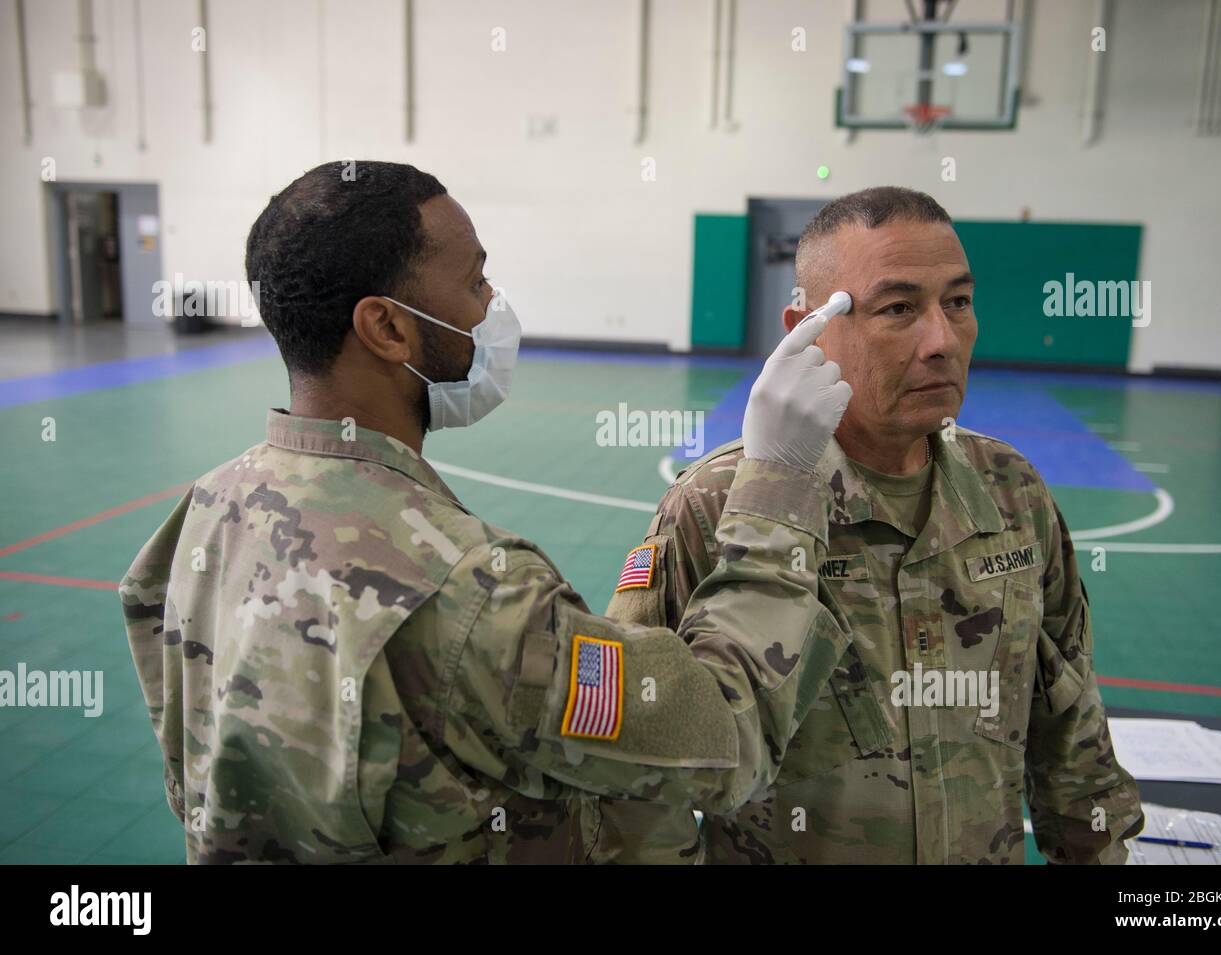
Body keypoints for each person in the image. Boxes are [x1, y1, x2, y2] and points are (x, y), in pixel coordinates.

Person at [119, 161, 854, 864]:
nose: (492, 303)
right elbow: (725, 736)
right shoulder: (473, 592)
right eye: (474, 281)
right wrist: (778, 483)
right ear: (387, 328)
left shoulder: (206, 509)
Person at [585, 187, 1144, 865]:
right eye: (899, 308)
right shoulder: (718, 505)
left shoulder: (1012, 492)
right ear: (809, 330)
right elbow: (633, 760)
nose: (942, 341)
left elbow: (1071, 725)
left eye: (959, 302)